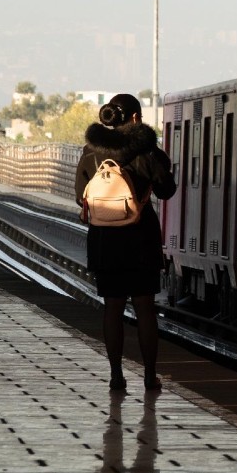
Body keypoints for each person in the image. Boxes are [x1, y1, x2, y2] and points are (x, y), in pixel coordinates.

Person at [75, 93, 177, 393]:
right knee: (144, 307)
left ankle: (116, 375)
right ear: (135, 118)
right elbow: (166, 191)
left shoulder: (91, 153)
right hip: (140, 237)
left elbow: (81, 195)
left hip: (105, 238)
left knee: (113, 308)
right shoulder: (147, 153)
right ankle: (149, 375)